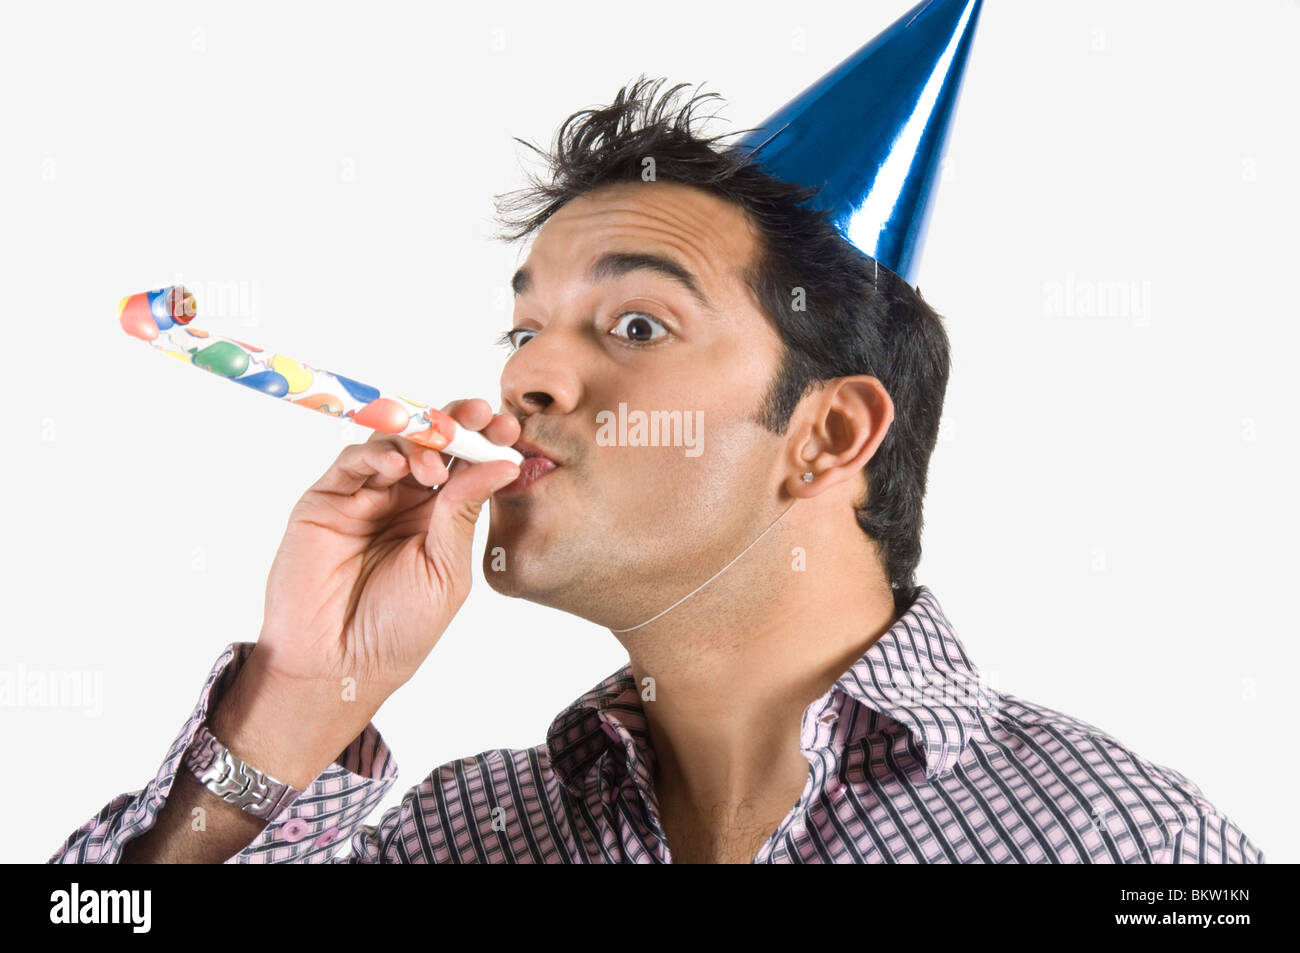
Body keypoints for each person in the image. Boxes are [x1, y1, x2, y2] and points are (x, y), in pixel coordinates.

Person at [50, 77, 1264, 865]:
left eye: (635, 325)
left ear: (829, 435)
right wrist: (299, 700)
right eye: (522, 331)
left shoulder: (1123, 844)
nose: (526, 382)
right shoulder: (469, 834)